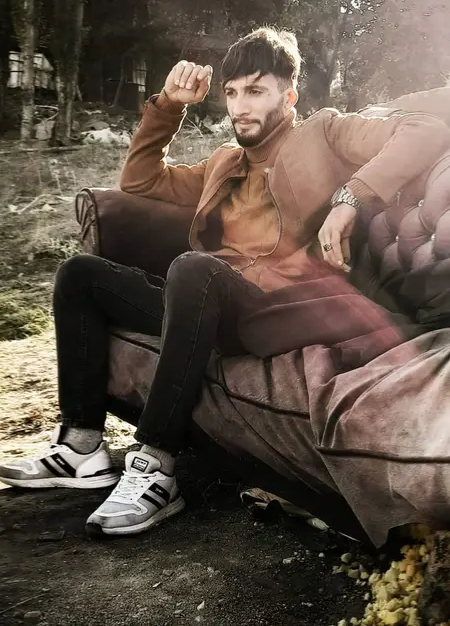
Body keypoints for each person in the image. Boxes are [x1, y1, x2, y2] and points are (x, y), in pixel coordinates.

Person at [1, 28, 449, 538]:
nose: (240, 106)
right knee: (80, 275)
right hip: (207, 304)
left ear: (289, 96)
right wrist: (170, 105)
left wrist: (352, 198)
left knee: (193, 268)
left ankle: (154, 467)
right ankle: (82, 447)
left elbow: (424, 128)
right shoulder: (224, 162)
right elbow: (141, 180)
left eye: (256, 91)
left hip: (280, 306)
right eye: (232, 92)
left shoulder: (324, 132)